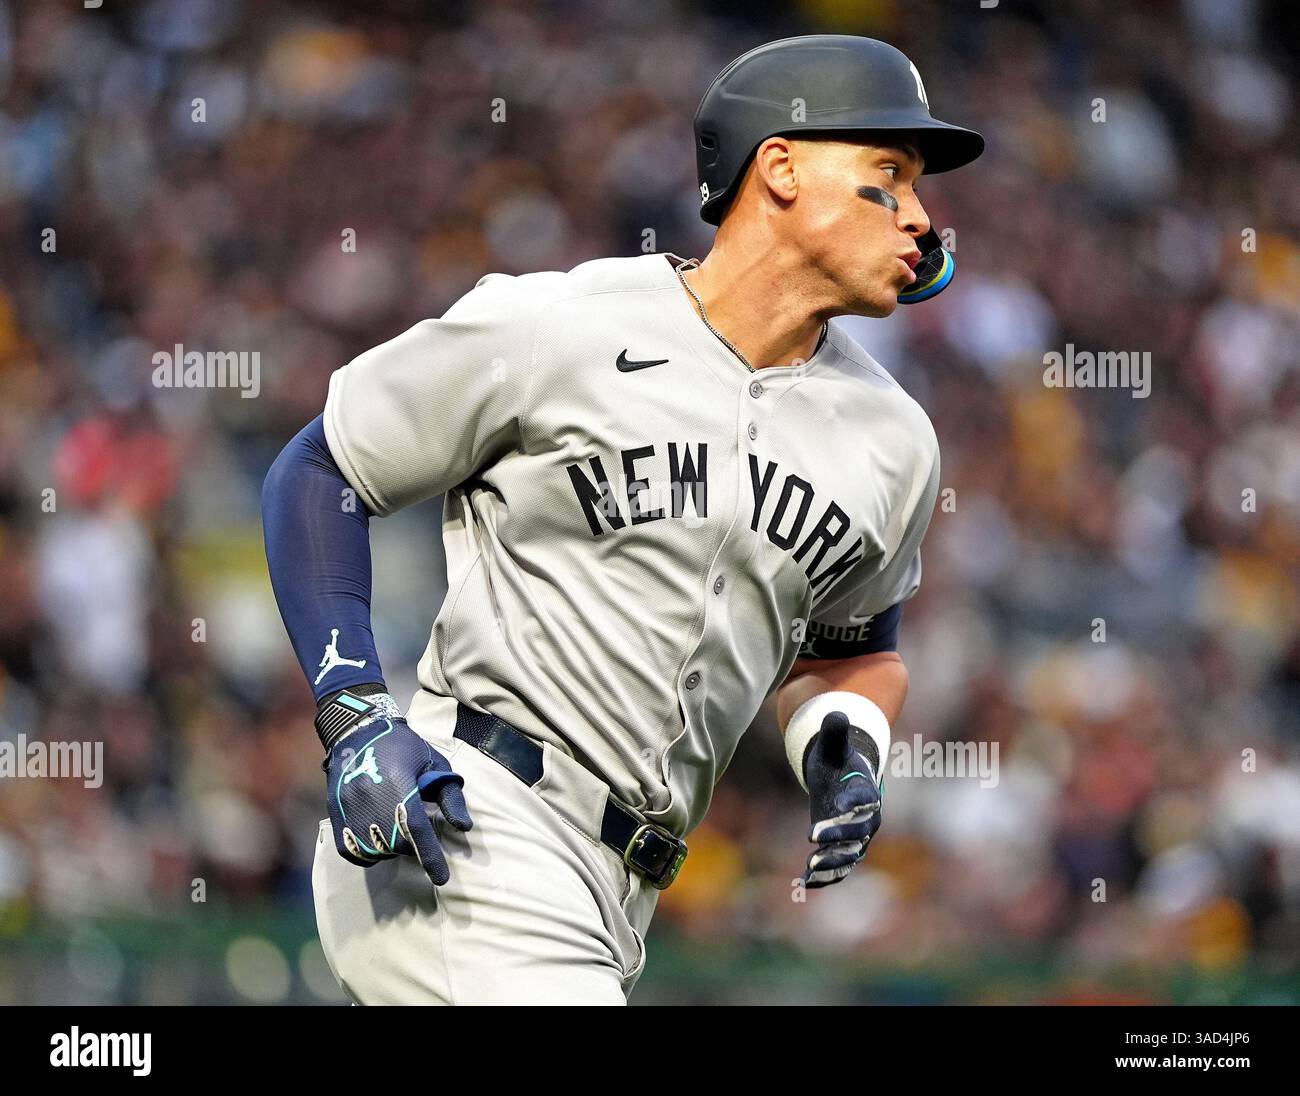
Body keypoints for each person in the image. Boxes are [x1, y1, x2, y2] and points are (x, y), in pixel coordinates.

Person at [261, 34, 983, 1005]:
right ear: (779, 168)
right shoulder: (563, 325)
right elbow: (321, 468)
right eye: (887, 177)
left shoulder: (893, 441)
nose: (920, 216)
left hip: (621, 890)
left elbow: (850, 645)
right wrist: (354, 715)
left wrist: (844, 743)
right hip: (466, 828)